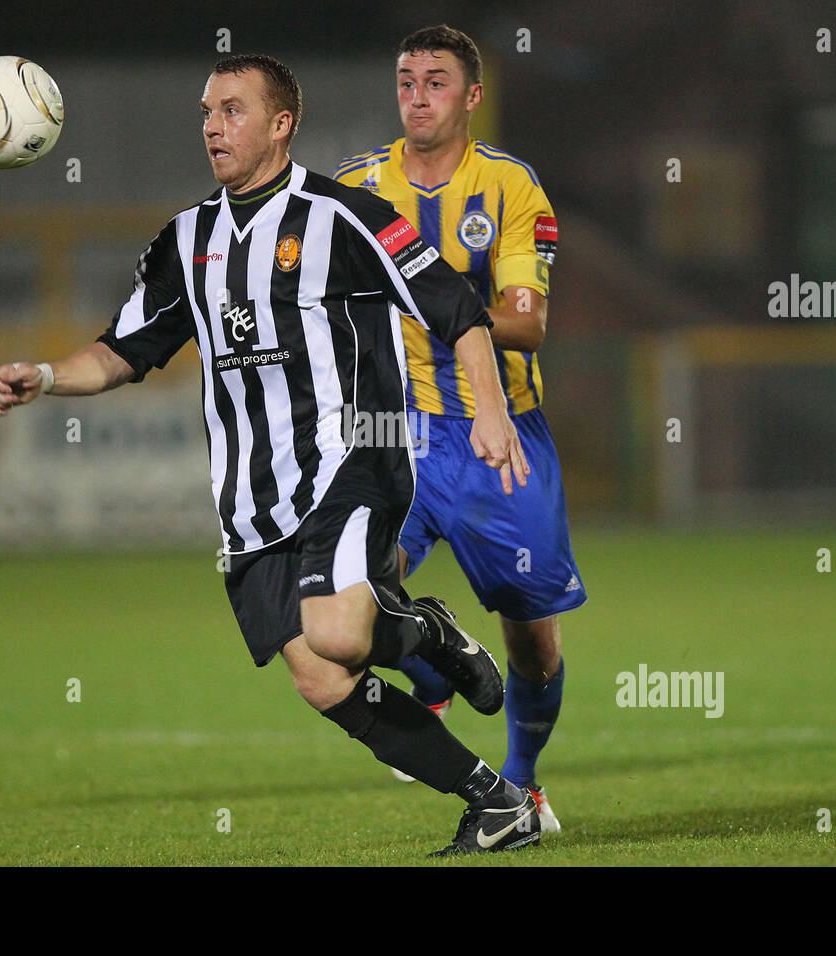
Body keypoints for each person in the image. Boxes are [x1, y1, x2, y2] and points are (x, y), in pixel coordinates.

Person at [0, 54, 544, 854]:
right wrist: (42, 376)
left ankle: (427, 630)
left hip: (353, 463)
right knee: (323, 678)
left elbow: (458, 310)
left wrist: (491, 411)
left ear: (282, 125)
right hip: (251, 503)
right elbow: (122, 352)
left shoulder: (347, 216)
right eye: (207, 111)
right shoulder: (186, 239)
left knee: (343, 634)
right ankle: (496, 803)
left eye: (233, 110)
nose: (213, 125)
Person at [335, 25, 585, 829]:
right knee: (346, 600)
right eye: (406, 79)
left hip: (496, 433)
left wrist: (427, 294)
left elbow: (526, 321)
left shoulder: (510, 187)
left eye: (435, 81)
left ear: (472, 96)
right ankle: (436, 662)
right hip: (394, 432)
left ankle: (522, 787)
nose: (416, 95)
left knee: (533, 643)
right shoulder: (356, 188)